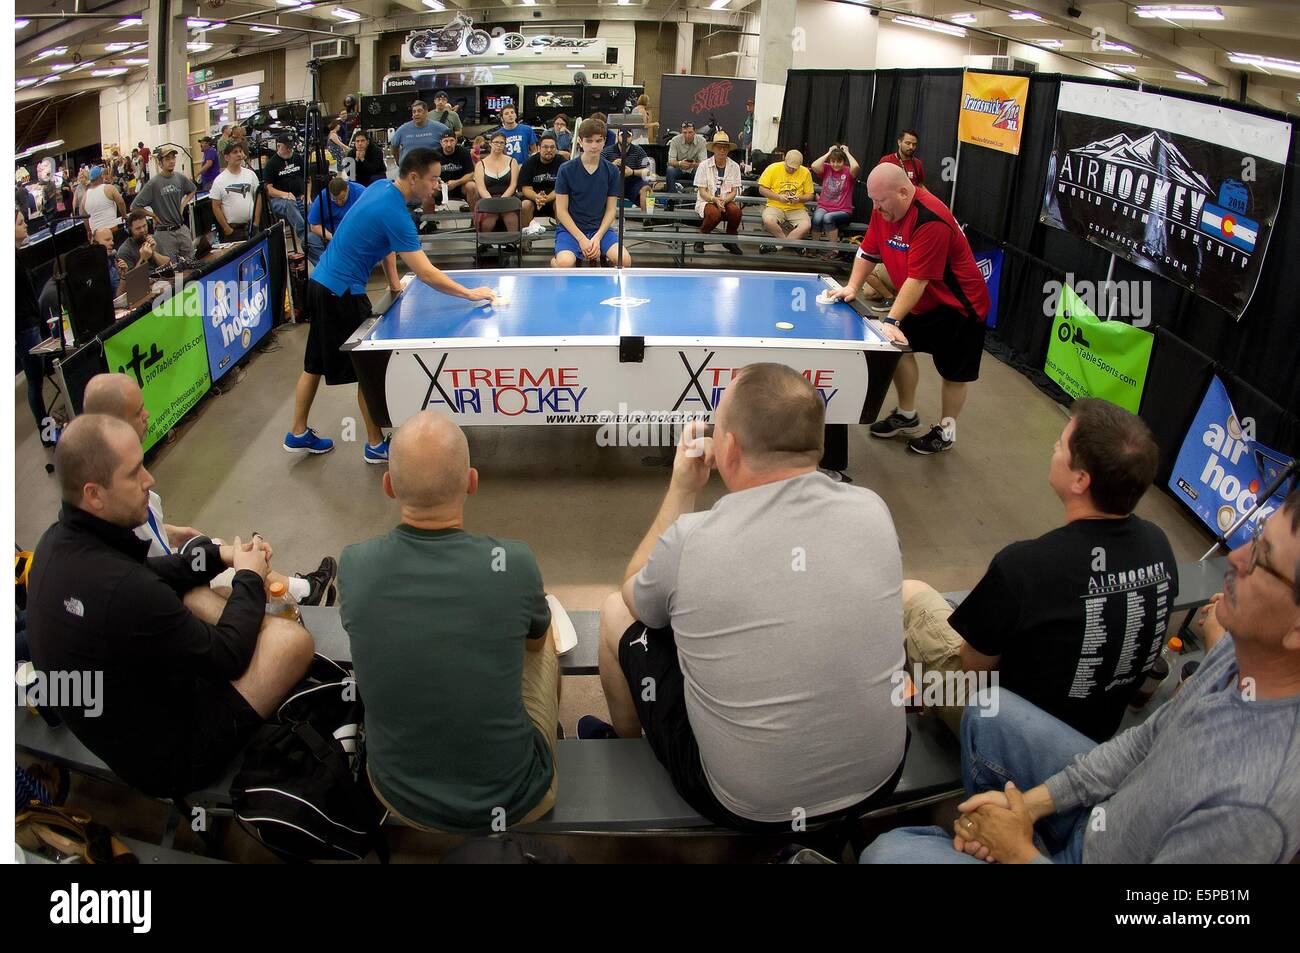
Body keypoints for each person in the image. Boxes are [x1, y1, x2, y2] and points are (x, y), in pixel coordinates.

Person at [864, 486, 1300, 865]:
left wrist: (1018, 851)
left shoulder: (1254, 808)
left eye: (1262, 558)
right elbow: (1143, 743)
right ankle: (983, 829)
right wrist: (1027, 808)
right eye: (1255, 538)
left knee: (884, 853)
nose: (1236, 557)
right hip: (1107, 817)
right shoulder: (1235, 654)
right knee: (985, 708)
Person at [584, 363, 906, 830]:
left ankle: (630, 746)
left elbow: (636, 596)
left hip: (747, 806)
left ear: (728, 448)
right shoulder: (873, 509)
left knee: (615, 613)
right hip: (881, 777)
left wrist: (681, 488)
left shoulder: (693, 539)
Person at [25, 414, 315, 797]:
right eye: (134, 474)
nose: (150, 480)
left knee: (191, 591)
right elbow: (228, 657)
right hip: (170, 761)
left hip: (122, 718)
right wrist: (249, 578)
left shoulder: (56, 541)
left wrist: (224, 556)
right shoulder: (126, 591)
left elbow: (152, 569)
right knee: (290, 642)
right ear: (94, 494)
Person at [901, 400, 1178, 739]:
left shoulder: (1023, 566)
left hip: (1013, 732)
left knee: (911, 593)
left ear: (1080, 479)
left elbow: (973, 666)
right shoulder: (1158, 543)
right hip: (1096, 727)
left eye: (1060, 445)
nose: (1053, 448)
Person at [340, 411, 561, 832]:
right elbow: (532, 646)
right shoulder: (513, 563)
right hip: (517, 797)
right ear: (472, 482)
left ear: (388, 486)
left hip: (397, 793)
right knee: (544, 634)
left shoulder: (354, 565)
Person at [284, 148, 494, 461]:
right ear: (413, 177)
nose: (437, 184)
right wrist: (470, 293)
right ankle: (375, 445)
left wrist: (394, 282)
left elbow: (384, 244)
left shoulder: (380, 187)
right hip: (341, 291)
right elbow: (426, 274)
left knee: (313, 364)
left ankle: (297, 433)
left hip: (320, 283)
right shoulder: (396, 213)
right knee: (365, 370)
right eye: (433, 179)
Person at [82, 372, 338, 604]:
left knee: (219, 550)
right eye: (138, 412)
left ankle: (302, 591)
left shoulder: (118, 477)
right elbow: (143, 572)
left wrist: (170, 532)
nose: (147, 414)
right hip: (164, 590)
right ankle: (299, 596)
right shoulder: (113, 503)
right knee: (235, 570)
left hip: (167, 565)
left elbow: (143, 535)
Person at [830, 163, 991, 455]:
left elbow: (919, 280)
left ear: (904, 192)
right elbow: (867, 252)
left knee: (953, 374)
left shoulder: (930, 220)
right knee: (895, 348)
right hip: (921, 301)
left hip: (960, 307)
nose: (876, 208)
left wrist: (891, 318)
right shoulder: (885, 211)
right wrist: (852, 287)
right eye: (873, 201)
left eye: (881, 201)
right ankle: (907, 415)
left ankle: (946, 430)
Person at [552, 117, 631, 268]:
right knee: (565, 263)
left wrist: (597, 237)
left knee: (625, 261)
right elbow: (561, 211)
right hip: (571, 230)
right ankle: (554, 262)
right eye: (589, 141)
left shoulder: (612, 171)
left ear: (605, 141)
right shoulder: (566, 169)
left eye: (598, 141)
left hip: (600, 229)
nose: (594, 146)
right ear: (580, 141)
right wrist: (582, 239)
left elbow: (610, 210)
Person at [15, 211, 52, 446]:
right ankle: (46, 432)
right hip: (24, 327)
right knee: (35, 382)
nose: (25, 225)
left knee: (38, 380)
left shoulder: (17, 255)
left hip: (30, 323)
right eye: (19, 223)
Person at [129, 147, 196, 261]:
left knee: (192, 262)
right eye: (167, 159)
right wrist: (153, 215)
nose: (171, 161)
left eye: (173, 158)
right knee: (172, 269)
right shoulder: (153, 183)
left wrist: (183, 204)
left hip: (181, 228)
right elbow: (134, 207)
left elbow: (193, 189)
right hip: (164, 233)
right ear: (160, 163)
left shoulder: (180, 178)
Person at [692, 130, 742, 256]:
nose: (722, 151)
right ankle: (701, 239)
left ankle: (730, 240)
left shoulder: (734, 166)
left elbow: (734, 191)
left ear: (728, 150)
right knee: (714, 214)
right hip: (707, 200)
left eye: (725, 148)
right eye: (719, 147)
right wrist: (714, 200)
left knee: (736, 212)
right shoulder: (703, 166)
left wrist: (724, 200)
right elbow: (702, 191)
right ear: (713, 148)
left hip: (727, 200)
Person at [809, 144, 860, 259]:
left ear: (844, 162)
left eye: (839, 162)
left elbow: (856, 167)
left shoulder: (848, 172)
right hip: (824, 206)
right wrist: (828, 152)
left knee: (828, 218)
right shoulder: (827, 168)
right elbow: (814, 165)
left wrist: (847, 152)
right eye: (833, 161)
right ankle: (813, 247)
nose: (835, 165)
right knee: (817, 218)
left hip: (842, 210)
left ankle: (834, 250)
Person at [757, 150, 814, 253]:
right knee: (768, 220)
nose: (792, 170)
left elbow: (810, 195)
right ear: (785, 161)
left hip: (797, 208)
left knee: (806, 225)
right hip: (775, 205)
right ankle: (791, 244)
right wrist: (778, 197)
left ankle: (778, 246)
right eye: (789, 167)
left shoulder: (805, 172)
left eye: (795, 168)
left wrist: (799, 199)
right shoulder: (773, 168)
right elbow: (762, 189)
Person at [305, 175, 366, 266]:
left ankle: (349, 266)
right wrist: (333, 237)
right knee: (308, 240)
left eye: (342, 199)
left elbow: (370, 217)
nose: (339, 202)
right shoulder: (323, 197)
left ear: (347, 189)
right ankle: (326, 268)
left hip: (355, 233)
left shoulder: (360, 192)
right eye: (334, 200)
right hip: (331, 235)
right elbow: (314, 226)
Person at [208, 141, 262, 242]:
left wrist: (256, 222)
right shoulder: (219, 181)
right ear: (227, 157)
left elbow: (258, 196)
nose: (239, 154)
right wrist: (227, 229)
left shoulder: (251, 174)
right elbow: (216, 206)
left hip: (251, 227)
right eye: (235, 152)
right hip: (233, 231)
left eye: (240, 151)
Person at [473, 131, 520, 235]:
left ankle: (512, 244)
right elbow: (481, 188)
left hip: (508, 199)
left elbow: (513, 185)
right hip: (487, 200)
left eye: (502, 143)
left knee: (511, 217)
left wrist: (502, 201)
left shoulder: (512, 162)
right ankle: (485, 243)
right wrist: (492, 203)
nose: (499, 145)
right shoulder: (481, 164)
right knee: (488, 220)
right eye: (496, 142)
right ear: (490, 143)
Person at [262, 134, 308, 242]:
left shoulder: (297, 158)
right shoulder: (271, 164)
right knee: (290, 204)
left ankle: (316, 236)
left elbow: (308, 178)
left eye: (291, 147)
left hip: (298, 196)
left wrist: (307, 194)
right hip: (278, 199)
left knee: (311, 207)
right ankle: (304, 236)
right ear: (278, 146)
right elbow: (268, 189)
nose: (289, 150)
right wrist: (284, 194)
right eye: (286, 147)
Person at [518, 132, 563, 231]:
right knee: (525, 205)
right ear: (538, 148)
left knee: (561, 204)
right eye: (545, 147)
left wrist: (546, 199)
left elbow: (562, 188)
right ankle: (526, 241)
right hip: (534, 199)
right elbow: (526, 188)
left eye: (552, 147)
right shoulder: (529, 163)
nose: (549, 150)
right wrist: (537, 197)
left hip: (554, 197)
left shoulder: (562, 163)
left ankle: (562, 238)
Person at [602, 129, 652, 210]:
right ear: (618, 136)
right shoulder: (607, 151)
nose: (625, 138)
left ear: (632, 137)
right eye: (622, 135)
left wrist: (632, 172)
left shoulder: (639, 151)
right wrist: (612, 165)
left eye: (628, 136)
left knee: (646, 189)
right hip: (613, 183)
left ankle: (647, 219)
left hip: (633, 183)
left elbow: (648, 171)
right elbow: (598, 167)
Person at [389, 100, 450, 166]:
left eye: (419, 111)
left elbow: (452, 139)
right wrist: (400, 162)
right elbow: (394, 146)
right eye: (414, 112)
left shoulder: (440, 128)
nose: (416, 114)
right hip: (408, 170)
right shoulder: (403, 129)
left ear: (426, 112)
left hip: (431, 169)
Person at [114, 210, 170, 274]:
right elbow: (132, 279)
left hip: (163, 278)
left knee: (179, 280)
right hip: (146, 282)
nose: (142, 230)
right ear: (129, 230)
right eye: (138, 228)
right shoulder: (124, 250)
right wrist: (143, 258)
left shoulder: (153, 238)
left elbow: (169, 265)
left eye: (144, 226)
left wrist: (153, 253)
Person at [435, 129, 477, 210]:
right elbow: (429, 175)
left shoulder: (464, 152)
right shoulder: (435, 154)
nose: (449, 144)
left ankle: (474, 218)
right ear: (441, 142)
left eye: (452, 141)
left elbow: (471, 174)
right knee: (428, 190)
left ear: (456, 141)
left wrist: (456, 183)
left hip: (460, 186)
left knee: (471, 186)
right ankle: (430, 220)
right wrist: (436, 183)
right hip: (441, 186)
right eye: (445, 141)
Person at [83, 166, 127, 233]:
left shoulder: (85, 196)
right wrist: (124, 215)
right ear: (101, 176)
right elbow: (121, 202)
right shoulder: (109, 188)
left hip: (96, 233)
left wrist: (88, 231)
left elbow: (84, 216)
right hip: (111, 229)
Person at [666, 121, 706, 195]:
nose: (687, 135)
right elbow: (670, 161)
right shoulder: (675, 140)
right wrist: (680, 163)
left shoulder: (702, 141)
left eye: (690, 132)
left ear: (695, 132)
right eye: (684, 132)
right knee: (670, 169)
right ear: (681, 132)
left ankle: (700, 196)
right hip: (679, 169)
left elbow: (704, 162)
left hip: (694, 169)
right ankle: (672, 198)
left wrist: (694, 164)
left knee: (703, 170)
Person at [92, 227, 122, 295]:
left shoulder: (112, 260)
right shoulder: (92, 269)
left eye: (112, 240)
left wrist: (122, 275)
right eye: (107, 240)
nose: (112, 243)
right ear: (95, 244)